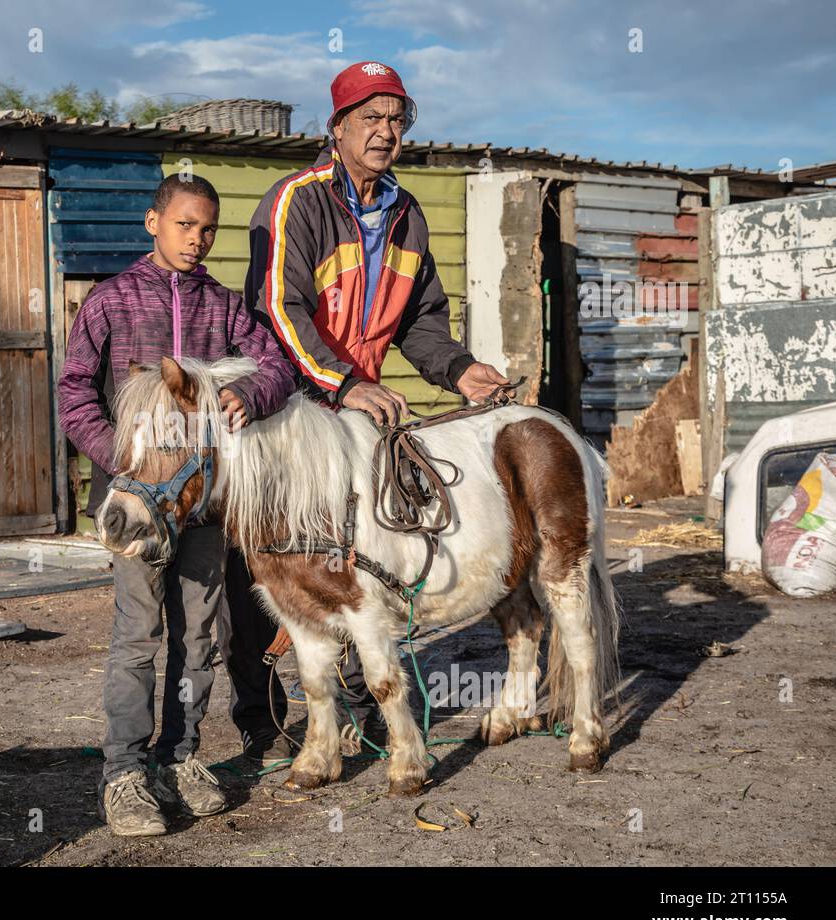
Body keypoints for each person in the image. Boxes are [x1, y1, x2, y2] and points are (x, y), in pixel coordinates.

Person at [222, 60, 511, 759]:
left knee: (361, 555)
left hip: (361, 410)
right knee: (266, 569)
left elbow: (423, 320)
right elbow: (277, 309)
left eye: (396, 121)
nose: (385, 133)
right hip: (288, 407)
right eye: (371, 120)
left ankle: (354, 704)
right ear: (339, 127)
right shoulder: (298, 199)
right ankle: (264, 722)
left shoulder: (405, 214)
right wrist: (343, 381)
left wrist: (458, 368)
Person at [58, 174, 296, 837]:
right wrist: (123, 461)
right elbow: (75, 391)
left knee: (199, 637)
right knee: (138, 635)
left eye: (207, 228)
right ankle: (126, 774)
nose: (197, 239)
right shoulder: (110, 302)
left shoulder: (223, 307)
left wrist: (254, 396)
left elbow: (277, 364)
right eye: (184, 224)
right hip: (137, 503)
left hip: (202, 507)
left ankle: (182, 758)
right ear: (152, 222)